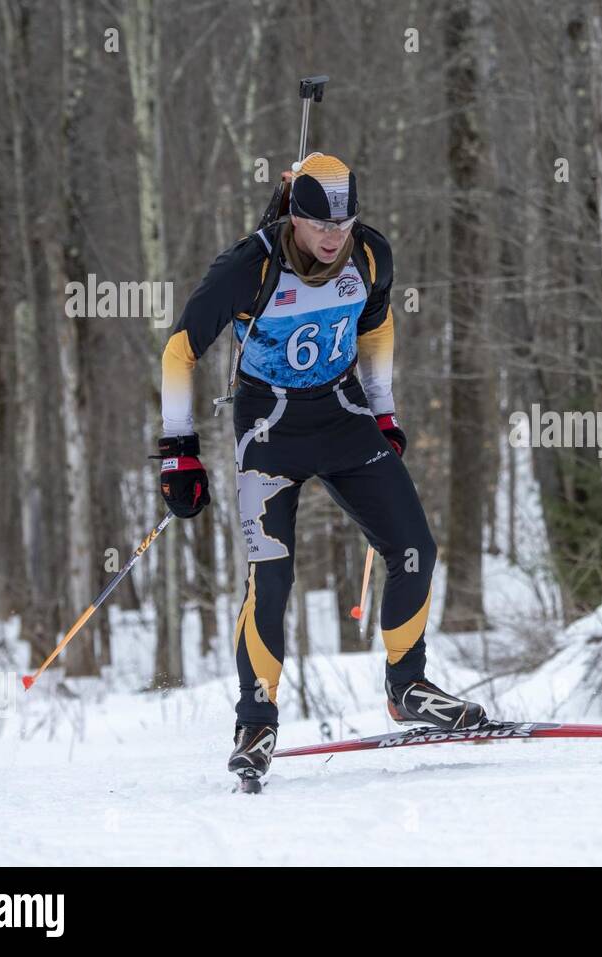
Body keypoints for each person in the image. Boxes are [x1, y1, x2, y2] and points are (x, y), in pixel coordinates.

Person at [155, 153, 486, 783]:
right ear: (294, 216)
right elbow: (179, 351)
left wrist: (384, 414)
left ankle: (407, 687)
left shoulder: (369, 256)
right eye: (319, 223)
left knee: (414, 547)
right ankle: (256, 719)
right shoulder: (246, 267)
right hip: (268, 431)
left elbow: (378, 329)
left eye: (344, 222)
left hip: (342, 417)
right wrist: (179, 451)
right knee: (272, 576)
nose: (334, 237)